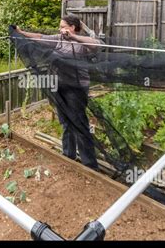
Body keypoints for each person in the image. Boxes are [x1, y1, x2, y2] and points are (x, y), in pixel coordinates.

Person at [15, 15, 103, 170]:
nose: (60, 29)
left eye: (63, 26)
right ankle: (68, 155)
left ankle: (90, 165)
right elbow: (40, 37)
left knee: (79, 125)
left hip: (77, 88)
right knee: (65, 123)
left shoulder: (81, 43)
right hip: (60, 86)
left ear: (72, 27)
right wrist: (22, 33)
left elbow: (97, 45)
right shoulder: (58, 39)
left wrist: (74, 37)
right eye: (60, 26)